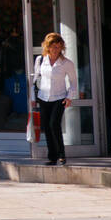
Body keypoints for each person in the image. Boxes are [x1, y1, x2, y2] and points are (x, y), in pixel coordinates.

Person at [32, 32, 78, 166]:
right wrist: (33, 97)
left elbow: (73, 81)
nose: (56, 49)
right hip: (43, 97)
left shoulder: (66, 63)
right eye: (53, 46)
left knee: (54, 124)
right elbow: (35, 78)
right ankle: (52, 156)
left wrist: (69, 97)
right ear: (48, 47)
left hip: (59, 97)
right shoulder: (40, 60)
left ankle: (61, 155)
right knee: (46, 126)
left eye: (58, 47)